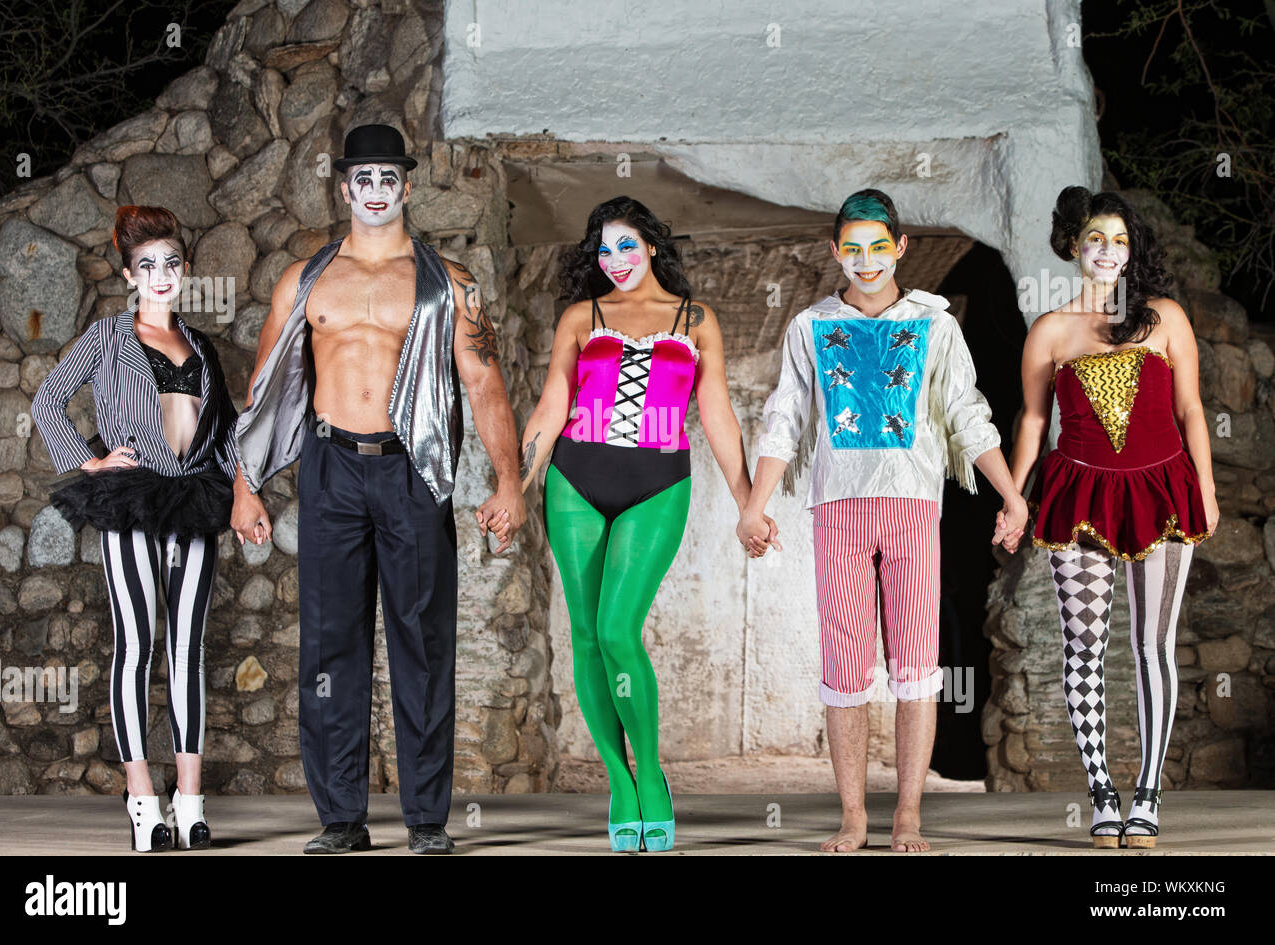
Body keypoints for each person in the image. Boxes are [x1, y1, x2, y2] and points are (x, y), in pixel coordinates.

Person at [230, 124, 525, 856]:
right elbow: (263, 389)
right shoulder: (304, 280)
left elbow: (484, 383)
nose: (374, 190)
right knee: (331, 646)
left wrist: (510, 480)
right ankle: (341, 818)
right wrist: (246, 483)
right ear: (344, 188)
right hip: (330, 467)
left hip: (411, 468)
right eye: (361, 177)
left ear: (406, 187)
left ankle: (426, 819)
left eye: (386, 177)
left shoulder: (448, 283)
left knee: (422, 640)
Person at [738, 189, 1028, 852]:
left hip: (913, 509)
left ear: (899, 247)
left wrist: (1011, 495)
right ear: (836, 251)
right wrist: (755, 505)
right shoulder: (811, 327)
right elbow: (784, 418)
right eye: (851, 247)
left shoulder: (935, 326)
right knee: (844, 667)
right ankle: (852, 815)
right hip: (838, 508)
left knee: (917, 667)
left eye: (877, 246)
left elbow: (968, 415)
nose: (865, 259)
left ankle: (907, 813)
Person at [518, 196, 768, 852]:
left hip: (657, 482)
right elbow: (551, 406)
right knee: (586, 637)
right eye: (604, 249)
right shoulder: (581, 316)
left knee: (617, 628)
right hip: (575, 478)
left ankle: (651, 772)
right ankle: (618, 781)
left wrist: (748, 504)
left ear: (652, 246)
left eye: (627, 245)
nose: (616, 260)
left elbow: (717, 415)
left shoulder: (696, 320)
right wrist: (511, 486)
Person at [1002, 186, 1216, 849]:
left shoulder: (1166, 319)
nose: (1108, 251)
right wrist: (1014, 496)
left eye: (1120, 240)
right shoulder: (1050, 331)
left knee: (1153, 644)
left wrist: (1205, 486)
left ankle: (1147, 792)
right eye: (1096, 238)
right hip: (1079, 494)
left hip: (1161, 490)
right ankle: (1102, 790)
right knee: (1083, 647)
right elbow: (1035, 420)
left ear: (1132, 250)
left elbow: (1191, 411)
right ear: (1073, 245)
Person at [32, 205, 239, 852]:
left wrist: (244, 491)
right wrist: (88, 459)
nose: (160, 274)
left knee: (187, 649)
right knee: (137, 644)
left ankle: (191, 803)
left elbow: (225, 431)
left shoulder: (202, 347)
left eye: (171, 262)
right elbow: (47, 400)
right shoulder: (106, 337)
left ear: (185, 270)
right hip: (131, 498)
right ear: (129, 273)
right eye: (146, 264)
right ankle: (144, 802)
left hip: (196, 497)